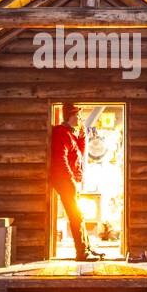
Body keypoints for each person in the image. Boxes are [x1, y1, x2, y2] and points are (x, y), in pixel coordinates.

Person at [49, 102, 100, 260]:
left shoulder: (71, 134)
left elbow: (79, 153)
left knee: (78, 215)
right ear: (71, 116)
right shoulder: (61, 132)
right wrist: (70, 178)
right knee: (76, 215)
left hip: (70, 180)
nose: (80, 118)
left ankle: (86, 249)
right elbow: (60, 158)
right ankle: (82, 253)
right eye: (78, 115)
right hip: (64, 179)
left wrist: (82, 136)